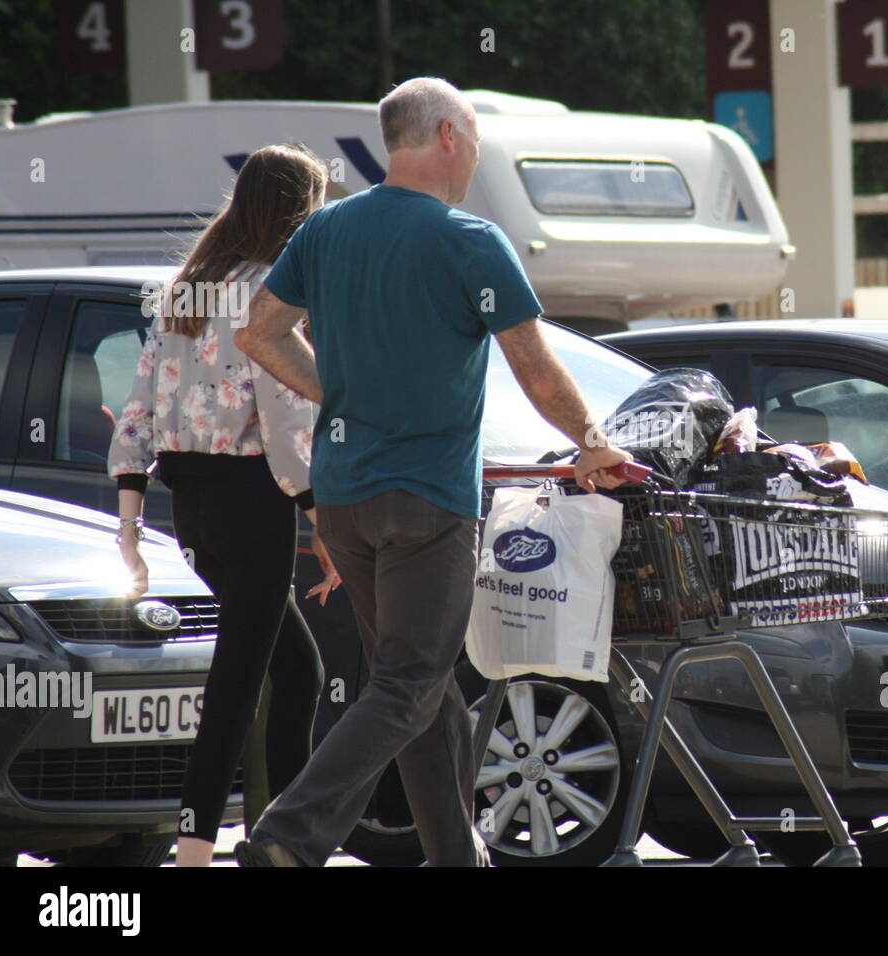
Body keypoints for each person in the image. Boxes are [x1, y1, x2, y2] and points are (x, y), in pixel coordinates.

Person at [232, 76, 631, 867]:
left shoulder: (326, 231)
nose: (476, 152)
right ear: (448, 135)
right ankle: (288, 834)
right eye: (476, 137)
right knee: (409, 683)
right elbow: (535, 367)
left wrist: (339, 392)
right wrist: (592, 440)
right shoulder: (468, 238)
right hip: (425, 501)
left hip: (344, 498)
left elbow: (258, 333)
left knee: (418, 687)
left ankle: (459, 855)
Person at [109, 143, 341, 867]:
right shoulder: (273, 290)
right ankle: (196, 850)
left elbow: (138, 406)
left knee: (293, 670)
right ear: (298, 212)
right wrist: (319, 517)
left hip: (194, 510)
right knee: (236, 687)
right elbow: (283, 418)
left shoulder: (191, 288)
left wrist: (129, 518)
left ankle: (278, 838)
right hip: (253, 504)